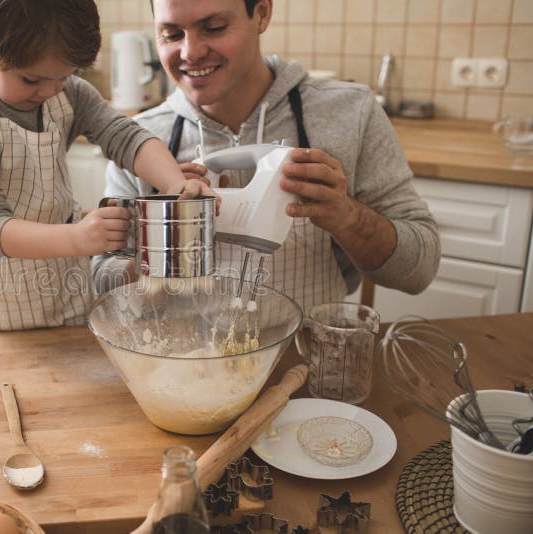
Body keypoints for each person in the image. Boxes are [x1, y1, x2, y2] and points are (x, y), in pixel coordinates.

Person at [93, 0, 441, 311]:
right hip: (182, 366)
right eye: (171, 34)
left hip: (306, 361)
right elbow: (101, 280)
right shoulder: (140, 141)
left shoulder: (350, 113)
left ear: (261, 13)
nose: (190, 52)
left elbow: (418, 273)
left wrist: (348, 217)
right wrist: (160, 243)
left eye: (213, 28)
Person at [0, 0, 215, 331]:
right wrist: (78, 238)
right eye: (30, 79)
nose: (49, 91)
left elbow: (123, 136)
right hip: (3, 309)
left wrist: (176, 184)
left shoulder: (68, 92)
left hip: (70, 296)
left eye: (64, 76)